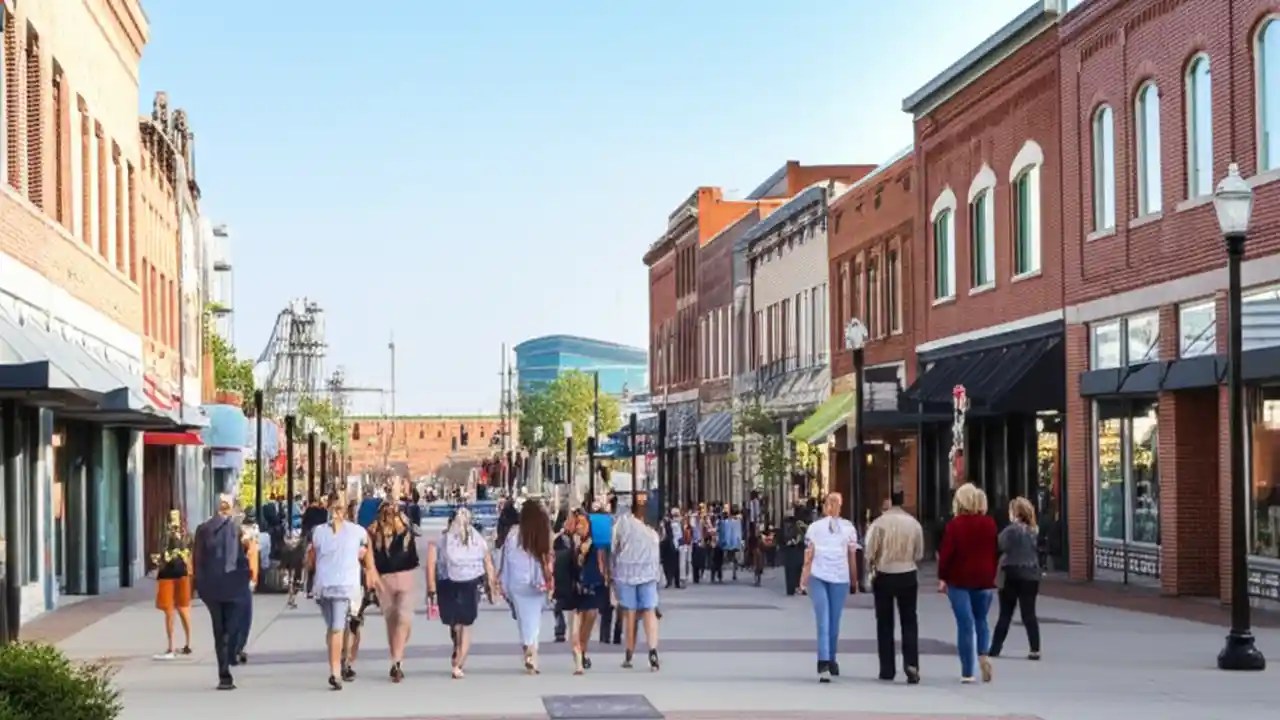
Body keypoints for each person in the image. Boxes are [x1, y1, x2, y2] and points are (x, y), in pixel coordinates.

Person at [308, 493, 381, 690]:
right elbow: (312, 559)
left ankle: (336, 672)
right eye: (334, 508)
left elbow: (368, 557)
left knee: (337, 627)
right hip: (325, 587)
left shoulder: (357, 532)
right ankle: (339, 658)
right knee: (334, 628)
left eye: (339, 508)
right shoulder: (320, 532)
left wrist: (370, 571)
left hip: (343, 587)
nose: (336, 512)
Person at [426, 507, 498, 680]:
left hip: (447, 583)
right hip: (471, 583)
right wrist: (491, 586)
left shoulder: (442, 540)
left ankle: (458, 656)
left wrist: (431, 588)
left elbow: (431, 564)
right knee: (466, 623)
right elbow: (488, 563)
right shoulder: (478, 539)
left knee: (456, 623)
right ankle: (459, 661)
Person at [938, 482, 999, 684]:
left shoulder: (955, 525)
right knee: (981, 620)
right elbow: (994, 551)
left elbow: (947, 554)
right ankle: (983, 654)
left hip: (959, 579)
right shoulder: (989, 523)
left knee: (965, 624)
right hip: (984, 579)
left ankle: (967, 672)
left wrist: (942, 577)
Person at [192, 494, 252, 690]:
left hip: (211, 587)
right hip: (232, 586)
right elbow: (238, 560)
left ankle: (223, 671)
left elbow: (197, 560)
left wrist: (199, 585)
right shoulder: (234, 530)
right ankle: (229, 659)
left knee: (219, 629)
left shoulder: (202, 530)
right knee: (232, 627)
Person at [798, 492, 858, 683]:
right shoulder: (849, 528)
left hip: (818, 575)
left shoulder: (814, 528)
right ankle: (830, 659)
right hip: (840, 577)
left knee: (823, 619)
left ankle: (824, 661)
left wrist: (804, 577)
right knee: (834, 619)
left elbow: (809, 555)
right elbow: (852, 557)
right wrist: (855, 580)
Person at [865, 491, 924, 684]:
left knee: (884, 622)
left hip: (884, 573)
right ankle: (912, 664)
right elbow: (919, 553)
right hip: (907, 573)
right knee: (909, 620)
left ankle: (887, 668)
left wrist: (873, 564)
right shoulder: (913, 523)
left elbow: (870, 551)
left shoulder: (879, 524)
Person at [368, 497, 420, 682]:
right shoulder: (401, 527)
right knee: (401, 621)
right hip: (400, 578)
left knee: (394, 621)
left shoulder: (378, 530)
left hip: (388, 579)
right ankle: (397, 660)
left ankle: (396, 659)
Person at [500, 499, 554, 674]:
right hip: (538, 582)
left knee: (525, 620)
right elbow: (549, 557)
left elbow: (506, 560)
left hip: (517, 583)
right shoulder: (544, 533)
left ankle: (529, 651)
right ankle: (532, 653)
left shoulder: (513, 534)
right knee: (533, 619)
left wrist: (504, 585)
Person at [612, 492, 662, 671]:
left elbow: (614, 545)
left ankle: (629, 652)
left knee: (630, 614)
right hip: (648, 573)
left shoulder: (623, 523)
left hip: (627, 572)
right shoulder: (653, 527)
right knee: (649, 611)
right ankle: (652, 650)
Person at [989, 496, 1042, 661]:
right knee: (1029, 613)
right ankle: (1035, 648)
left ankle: (995, 648)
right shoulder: (1034, 531)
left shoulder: (1011, 530)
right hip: (1031, 574)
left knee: (1005, 613)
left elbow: (999, 545)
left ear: (1015, 513)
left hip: (1011, 572)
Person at [570, 508, 609, 675]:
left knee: (591, 615)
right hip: (574, 583)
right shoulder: (569, 541)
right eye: (577, 523)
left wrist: (606, 576)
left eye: (583, 523)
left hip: (592, 582)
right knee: (576, 622)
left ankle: (582, 650)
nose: (580, 527)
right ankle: (579, 655)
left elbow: (601, 559)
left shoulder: (594, 542)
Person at [152, 509, 193, 660]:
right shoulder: (183, 536)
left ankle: (173, 647)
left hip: (170, 575)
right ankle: (182, 644)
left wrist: (160, 560)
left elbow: (161, 555)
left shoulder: (176, 536)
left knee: (175, 610)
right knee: (179, 609)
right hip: (178, 574)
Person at [552, 510, 578, 643]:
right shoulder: (562, 533)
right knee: (563, 596)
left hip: (562, 562)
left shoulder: (570, 531)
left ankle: (562, 628)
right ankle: (562, 628)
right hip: (563, 561)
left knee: (562, 598)